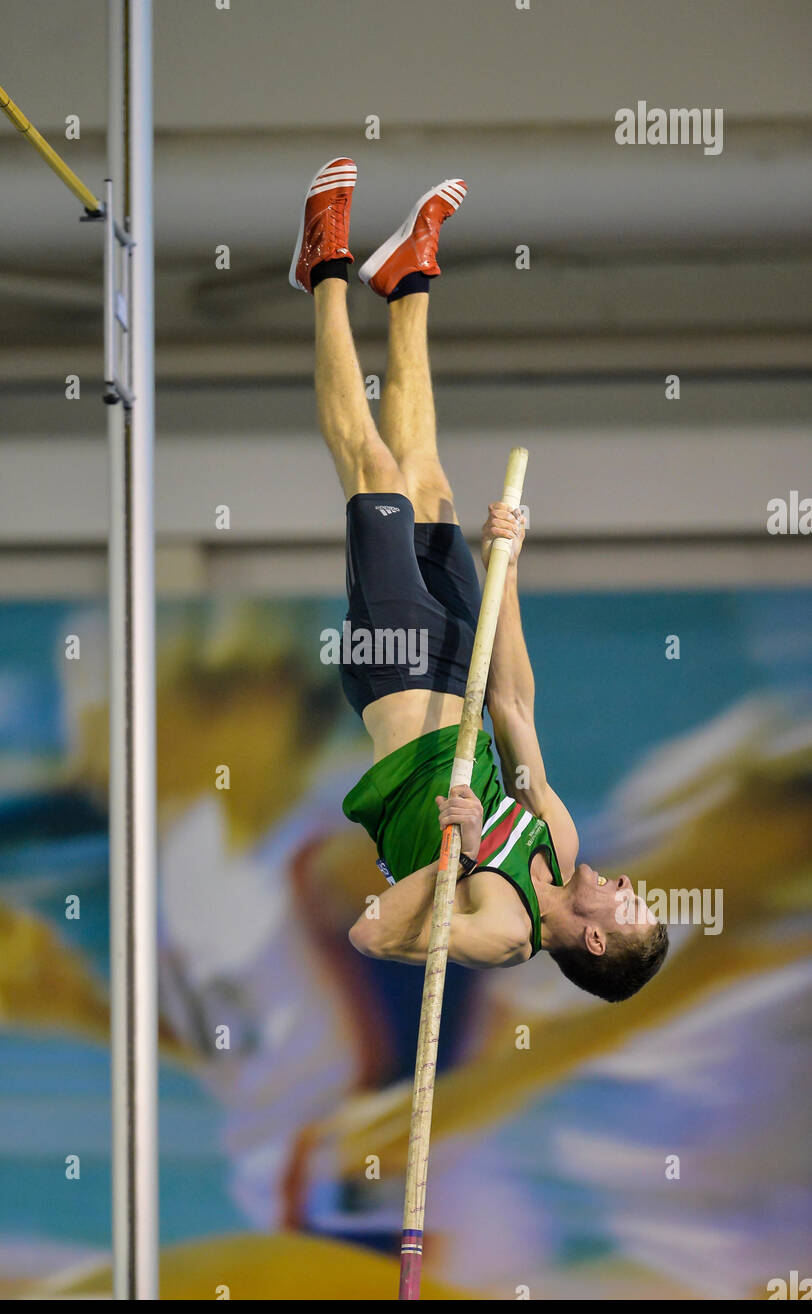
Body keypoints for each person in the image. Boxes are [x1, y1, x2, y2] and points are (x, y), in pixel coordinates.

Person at [291, 158, 668, 1002]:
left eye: (630, 904)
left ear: (598, 936)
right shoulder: (559, 845)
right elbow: (516, 707)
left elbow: (372, 932)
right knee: (429, 483)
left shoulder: (503, 935)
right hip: (462, 673)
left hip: (401, 692)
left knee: (375, 471)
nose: (625, 882)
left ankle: (322, 268)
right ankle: (407, 282)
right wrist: (509, 569)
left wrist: (450, 858)